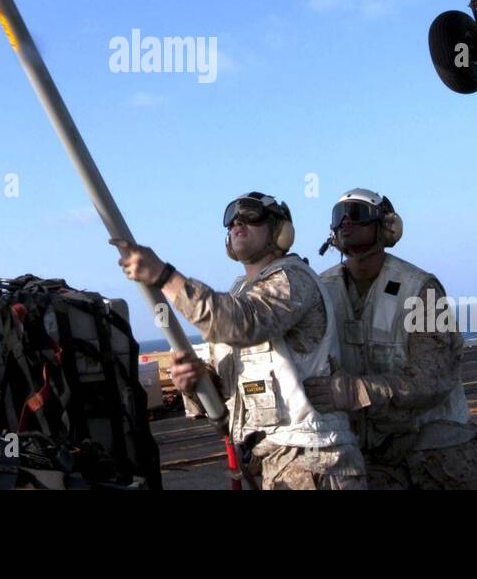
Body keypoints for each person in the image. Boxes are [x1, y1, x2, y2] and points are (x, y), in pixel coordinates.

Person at [115, 191, 365, 489]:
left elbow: (242, 323)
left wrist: (164, 276)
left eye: (251, 216)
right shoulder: (237, 296)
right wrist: (194, 382)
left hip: (313, 458)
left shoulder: (294, 279)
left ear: (279, 231)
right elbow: (220, 392)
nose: (237, 223)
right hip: (263, 462)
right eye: (231, 219)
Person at [305, 188, 477, 490]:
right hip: (369, 456)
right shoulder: (319, 290)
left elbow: (433, 376)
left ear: (385, 225)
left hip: (436, 453)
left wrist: (357, 391)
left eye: (356, 214)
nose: (345, 223)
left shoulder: (419, 288)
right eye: (338, 217)